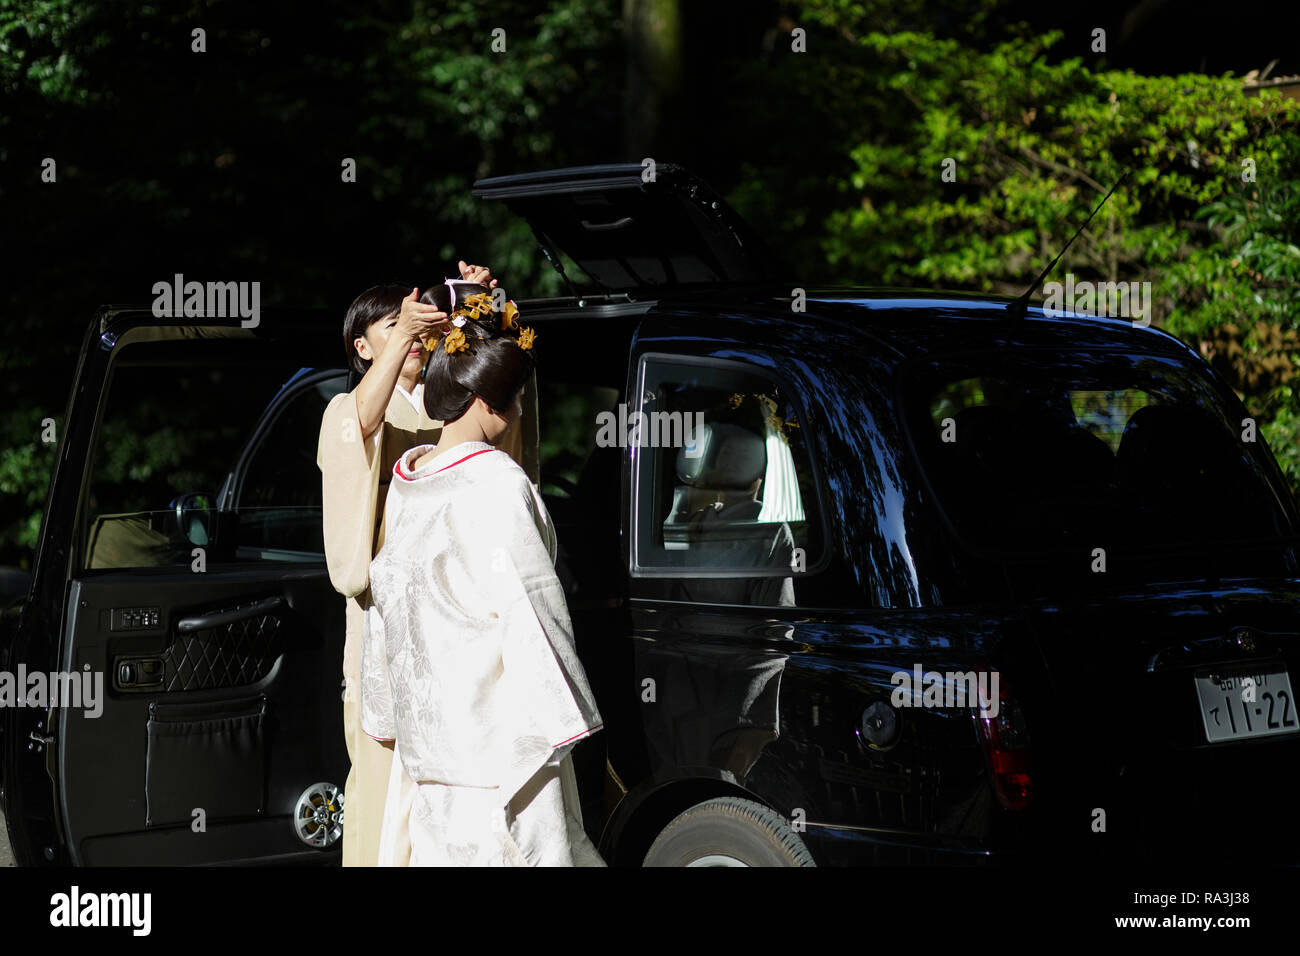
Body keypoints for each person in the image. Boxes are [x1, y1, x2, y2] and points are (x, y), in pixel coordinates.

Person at [359, 295, 605, 866]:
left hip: (434, 742)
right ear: (486, 402)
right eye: (515, 400)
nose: (517, 413)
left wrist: (387, 706)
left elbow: (389, 597)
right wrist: (563, 710)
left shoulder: (407, 482)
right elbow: (532, 604)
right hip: (498, 739)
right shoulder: (497, 483)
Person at [317, 262, 537, 867]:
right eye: (393, 326)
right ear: (362, 347)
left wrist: (487, 307)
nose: (412, 336)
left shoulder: (453, 411)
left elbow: (508, 412)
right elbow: (360, 424)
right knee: (383, 781)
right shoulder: (345, 413)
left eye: (416, 323)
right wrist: (410, 339)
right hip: (385, 627)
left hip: (460, 619)